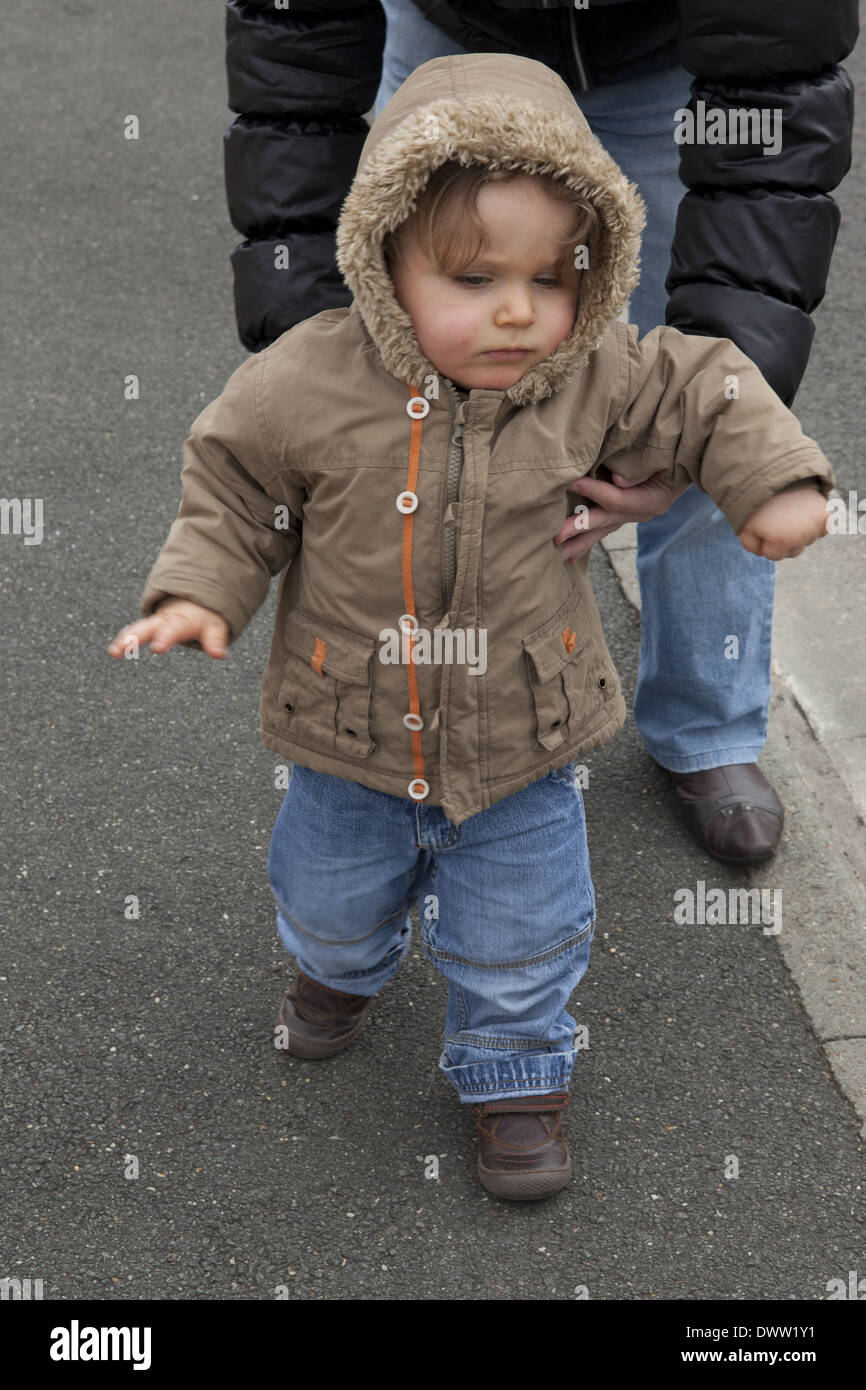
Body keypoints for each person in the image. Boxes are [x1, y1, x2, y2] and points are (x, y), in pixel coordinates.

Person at [108, 53, 833, 1201]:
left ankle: (516, 1078)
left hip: (520, 738)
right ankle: (338, 971)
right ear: (383, 258)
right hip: (347, 729)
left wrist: (771, 481)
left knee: (523, 929)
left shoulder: (591, 370)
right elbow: (237, 491)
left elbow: (709, 387)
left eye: (550, 279)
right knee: (329, 899)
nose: (514, 310)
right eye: (473, 276)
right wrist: (199, 591)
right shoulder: (306, 378)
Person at [223, 0, 857, 862]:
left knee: (708, 390)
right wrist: (313, 367)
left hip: (679, 61)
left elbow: (773, 111)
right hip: (454, 43)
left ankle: (708, 724)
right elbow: (293, 63)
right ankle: (400, 733)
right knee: (410, 388)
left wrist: (713, 438)